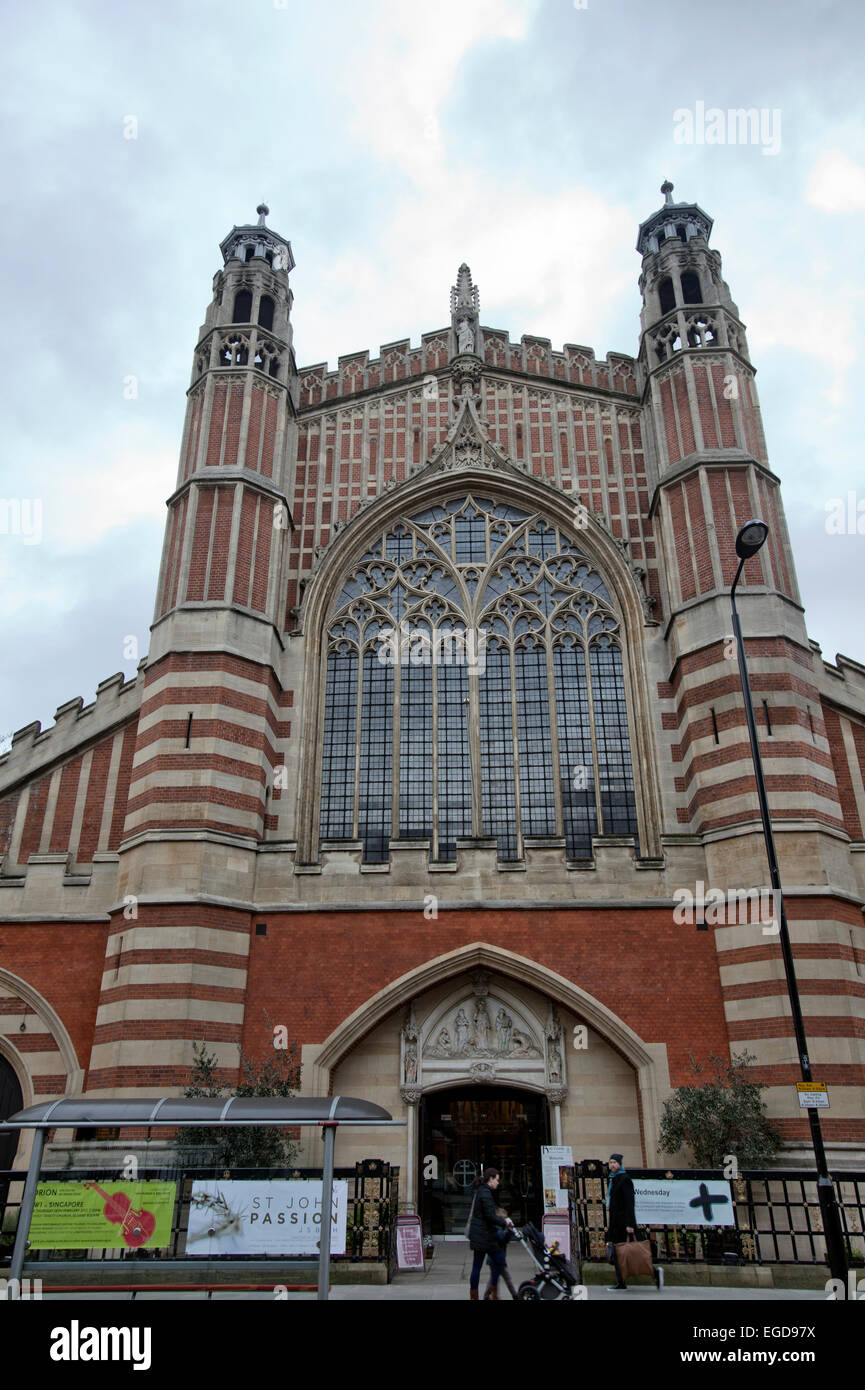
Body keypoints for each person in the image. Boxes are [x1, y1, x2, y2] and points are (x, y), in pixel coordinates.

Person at [606, 1153, 663, 1291]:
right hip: (615, 1224)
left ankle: (654, 1271)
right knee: (617, 1253)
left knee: (633, 1253)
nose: (612, 1165)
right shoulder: (613, 1180)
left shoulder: (625, 1180)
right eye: (611, 1162)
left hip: (624, 1224)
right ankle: (621, 1282)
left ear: (620, 1164)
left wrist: (630, 1224)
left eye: (615, 1162)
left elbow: (630, 1203)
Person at [468, 1167, 513, 1300]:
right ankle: (489, 1293)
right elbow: (490, 1216)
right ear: (491, 1179)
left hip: (483, 1235)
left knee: (482, 1264)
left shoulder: (483, 1192)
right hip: (485, 1236)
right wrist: (505, 1222)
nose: (498, 1183)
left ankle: (486, 1293)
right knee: (496, 1261)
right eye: (497, 1180)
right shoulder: (485, 1194)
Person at [482, 1206, 519, 1300]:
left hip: (496, 1257)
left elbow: (504, 1239)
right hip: (497, 1258)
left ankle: (489, 1295)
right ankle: (514, 1295)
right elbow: (502, 1239)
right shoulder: (497, 1229)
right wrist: (509, 1230)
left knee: (495, 1278)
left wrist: (508, 1231)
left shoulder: (498, 1228)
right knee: (504, 1278)